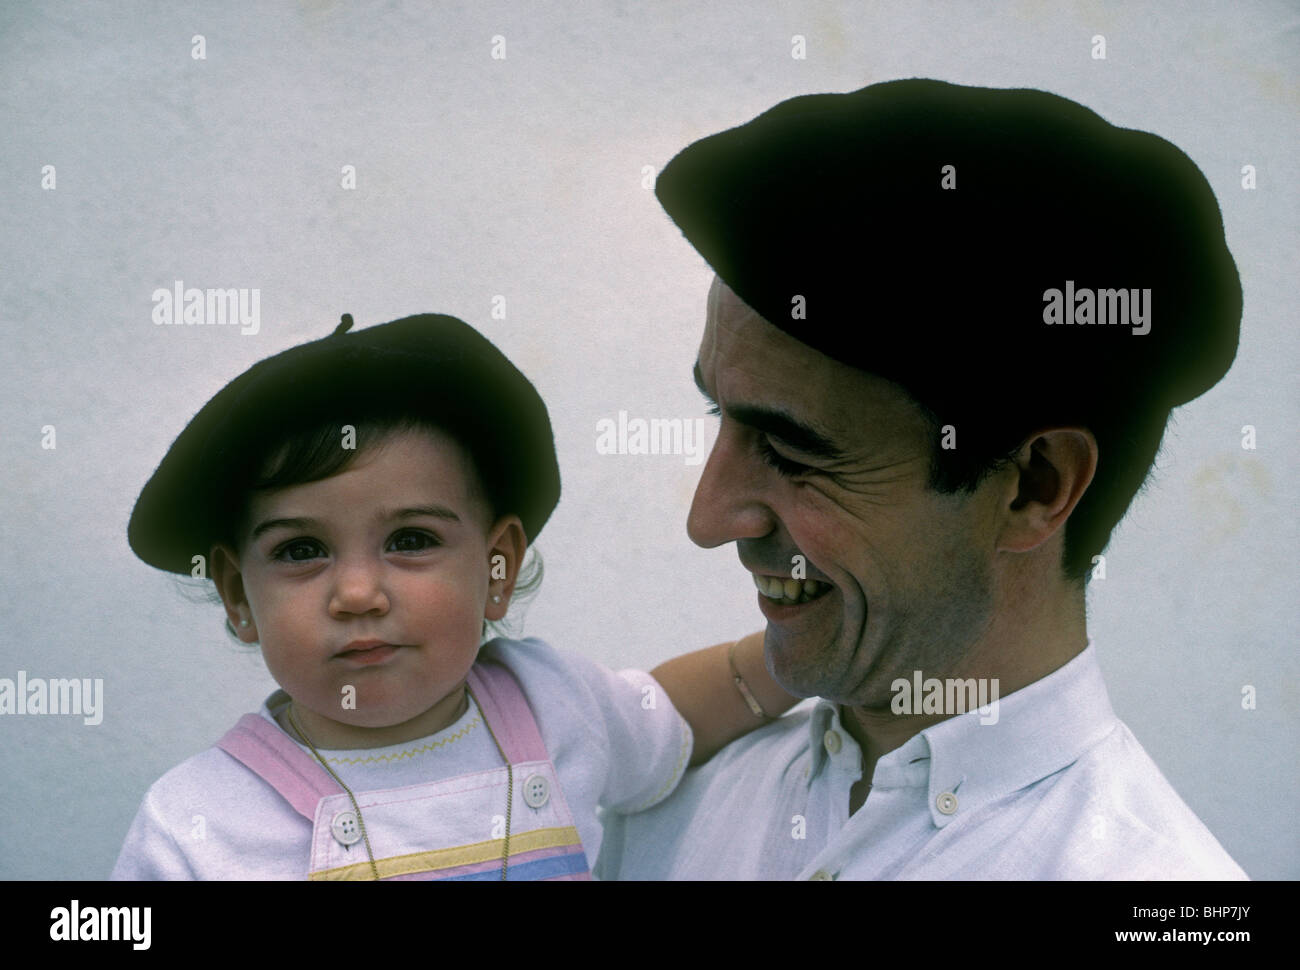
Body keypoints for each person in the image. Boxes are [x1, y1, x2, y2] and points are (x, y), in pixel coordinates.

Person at [595, 79, 1248, 879]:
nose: (709, 516)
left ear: (1035, 486)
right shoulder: (670, 793)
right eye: (716, 417)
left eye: (796, 453)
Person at [111, 312, 793, 880]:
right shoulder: (198, 825)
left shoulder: (553, 706)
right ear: (237, 594)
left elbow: (681, 708)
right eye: (301, 551)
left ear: (497, 567)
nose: (356, 593)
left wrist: (805, 649)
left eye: (409, 540)